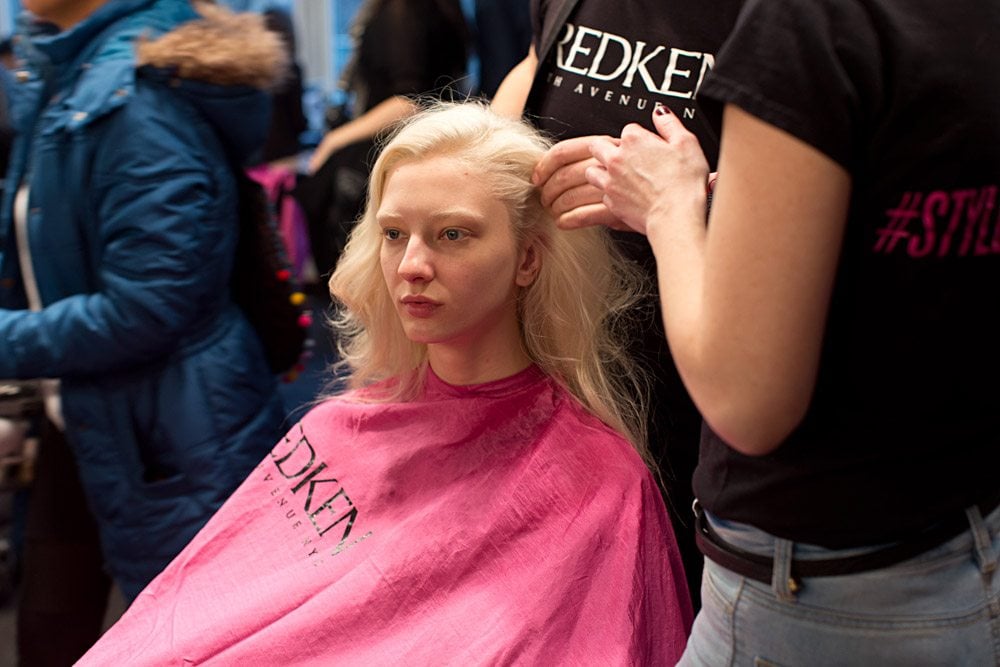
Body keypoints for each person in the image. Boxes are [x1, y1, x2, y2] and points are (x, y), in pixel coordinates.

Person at [77, 102, 694, 665]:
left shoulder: (598, 481)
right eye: (395, 234)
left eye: (452, 235)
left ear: (528, 259)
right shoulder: (340, 424)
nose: (412, 266)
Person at [585, 0, 1000, 663]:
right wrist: (754, 200)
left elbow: (747, 400)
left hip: (821, 593)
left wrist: (667, 207)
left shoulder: (812, 23)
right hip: (966, 544)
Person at [0, 0, 288, 661]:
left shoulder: (136, 100)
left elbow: (149, 306)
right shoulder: (70, 76)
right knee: (51, 632)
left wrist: (8, 339)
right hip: (86, 409)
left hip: (174, 427)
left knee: (193, 643)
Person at [491, 0, 746, 609]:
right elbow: (534, 65)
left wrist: (679, 201)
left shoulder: (787, 20)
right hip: (561, 397)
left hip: (702, 422)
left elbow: (818, 221)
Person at [294, 0, 470, 284]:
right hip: (426, 151)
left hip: (393, 154)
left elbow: (408, 102)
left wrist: (334, 140)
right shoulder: (434, 8)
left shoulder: (404, 10)